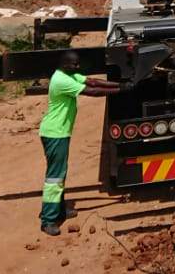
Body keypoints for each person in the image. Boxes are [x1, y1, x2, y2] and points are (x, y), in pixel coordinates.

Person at [39, 50, 125, 236]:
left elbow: (93, 81)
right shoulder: (61, 80)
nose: (77, 67)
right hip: (55, 134)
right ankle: (48, 219)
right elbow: (92, 91)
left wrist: (121, 84)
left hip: (58, 132)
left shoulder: (67, 74)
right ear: (64, 64)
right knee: (55, 177)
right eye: (74, 64)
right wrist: (121, 91)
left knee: (60, 173)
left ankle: (59, 210)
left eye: (78, 64)